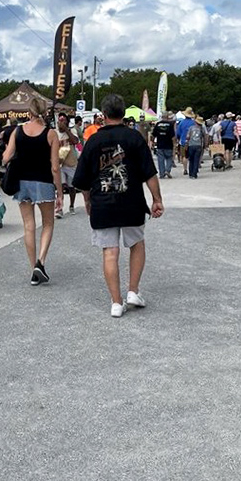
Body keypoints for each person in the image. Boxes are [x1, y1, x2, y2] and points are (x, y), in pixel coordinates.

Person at [72, 93, 164, 318]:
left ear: (103, 115)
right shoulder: (134, 138)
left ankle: (116, 302)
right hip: (131, 202)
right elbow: (149, 173)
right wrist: (157, 199)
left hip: (103, 204)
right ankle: (133, 291)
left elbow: (82, 180)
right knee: (137, 244)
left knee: (110, 252)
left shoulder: (93, 141)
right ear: (123, 114)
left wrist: (87, 201)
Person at [2, 96, 63, 284]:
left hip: (22, 182)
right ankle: (41, 262)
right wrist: (60, 192)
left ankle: (33, 271)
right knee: (48, 224)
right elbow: (55, 167)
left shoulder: (17, 131)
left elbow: (5, 157)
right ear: (45, 112)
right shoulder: (51, 134)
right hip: (43, 182)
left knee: (29, 226)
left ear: (29, 112)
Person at [56, 113, 79, 216]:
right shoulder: (54, 133)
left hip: (71, 163)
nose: (61, 122)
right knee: (60, 187)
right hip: (59, 164)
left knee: (71, 187)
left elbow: (75, 141)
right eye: (60, 120)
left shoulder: (72, 131)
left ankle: (72, 205)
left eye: (63, 120)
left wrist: (66, 130)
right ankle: (59, 208)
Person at [152, 111, 175, 179]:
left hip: (160, 145)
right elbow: (173, 136)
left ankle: (162, 174)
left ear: (162, 117)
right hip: (168, 145)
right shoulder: (170, 125)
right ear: (167, 117)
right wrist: (174, 144)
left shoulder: (158, 124)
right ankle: (167, 170)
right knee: (169, 158)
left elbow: (153, 135)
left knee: (160, 160)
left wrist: (153, 143)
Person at [175, 107, 196, 175]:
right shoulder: (194, 123)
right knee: (192, 156)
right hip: (193, 142)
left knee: (184, 156)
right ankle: (193, 169)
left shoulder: (181, 123)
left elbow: (178, 133)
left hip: (183, 142)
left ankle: (185, 169)